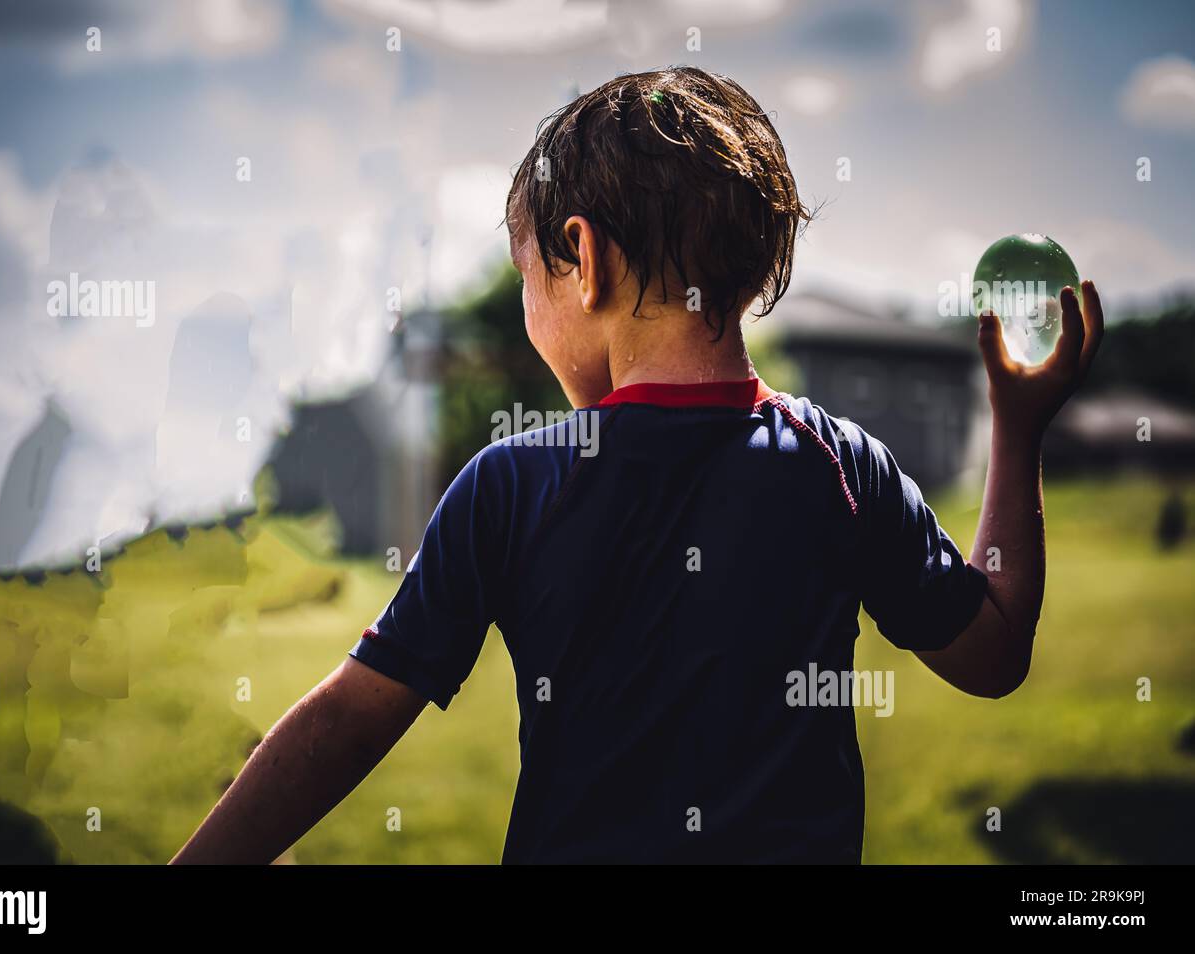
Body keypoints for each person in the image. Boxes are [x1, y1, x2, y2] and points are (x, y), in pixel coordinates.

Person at [173, 66, 1103, 864]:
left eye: (528, 275)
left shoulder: (509, 486)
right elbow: (994, 654)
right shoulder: (838, 465)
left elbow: (347, 720)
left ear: (583, 259)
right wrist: (1016, 431)